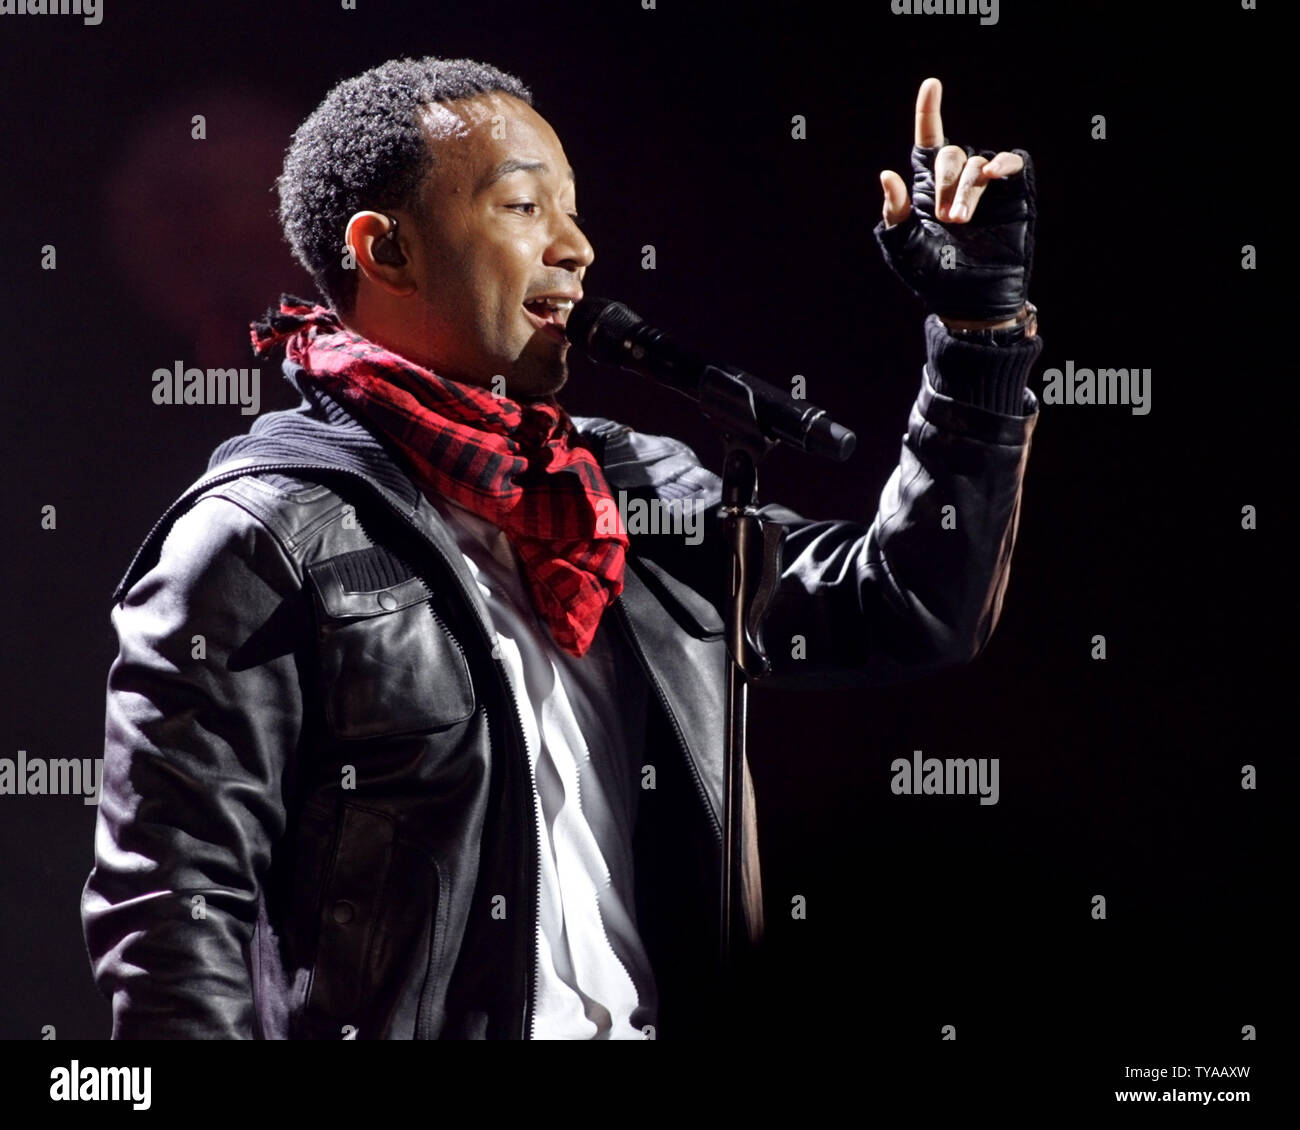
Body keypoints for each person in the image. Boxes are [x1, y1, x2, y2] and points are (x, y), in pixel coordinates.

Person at [80, 58, 1043, 1040]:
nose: (576, 248)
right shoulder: (257, 542)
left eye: (573, 212)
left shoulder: (629, 494)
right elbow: (172, 925)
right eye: (524, 207)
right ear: (387, 249)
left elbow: (908, 604)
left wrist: (977, 335)